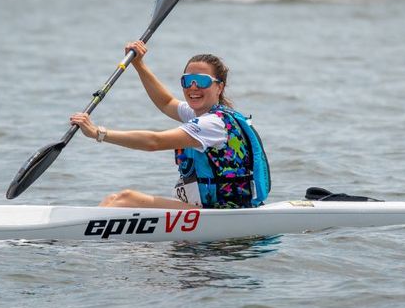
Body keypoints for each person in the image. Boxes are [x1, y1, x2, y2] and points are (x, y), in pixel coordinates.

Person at [69, 42, 269, 209]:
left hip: (222, 212)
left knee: (125, 199)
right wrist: (139, 64)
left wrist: (98, 133)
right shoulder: (202, 114)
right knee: (115, 199)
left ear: (219, 86)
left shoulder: (212, 124)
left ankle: (80, 234)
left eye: (201, 81)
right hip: (208, 209)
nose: (193, 87)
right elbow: (166, 102)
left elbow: (154, 142)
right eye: (187, 81)